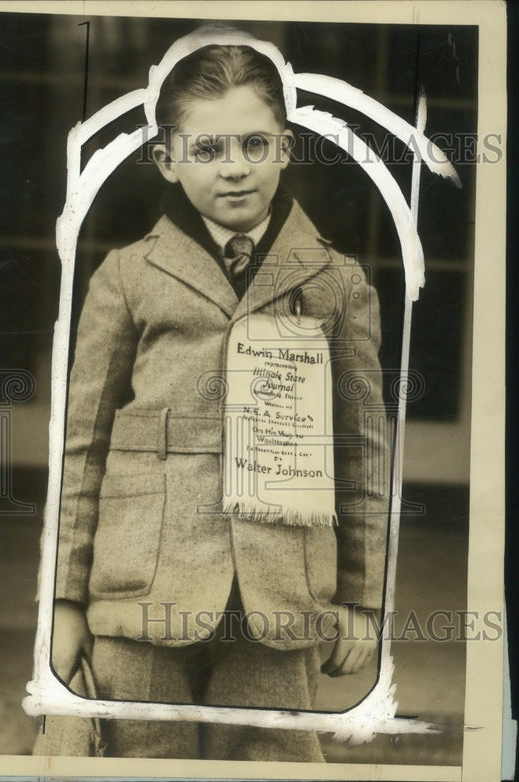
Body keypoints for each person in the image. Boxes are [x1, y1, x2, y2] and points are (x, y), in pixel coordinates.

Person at [49, 32, 389, 762]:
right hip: (140, 591)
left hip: (280, 598)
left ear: (287, 146)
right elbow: (81, 448)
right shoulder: (126, 277)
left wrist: (362, 599)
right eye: (206, 151)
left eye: (253, 145)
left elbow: (363, 454)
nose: (234, 169)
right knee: (139, 761)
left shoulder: (338, 283)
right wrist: (65, 601)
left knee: (272, 765)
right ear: (168, 159)